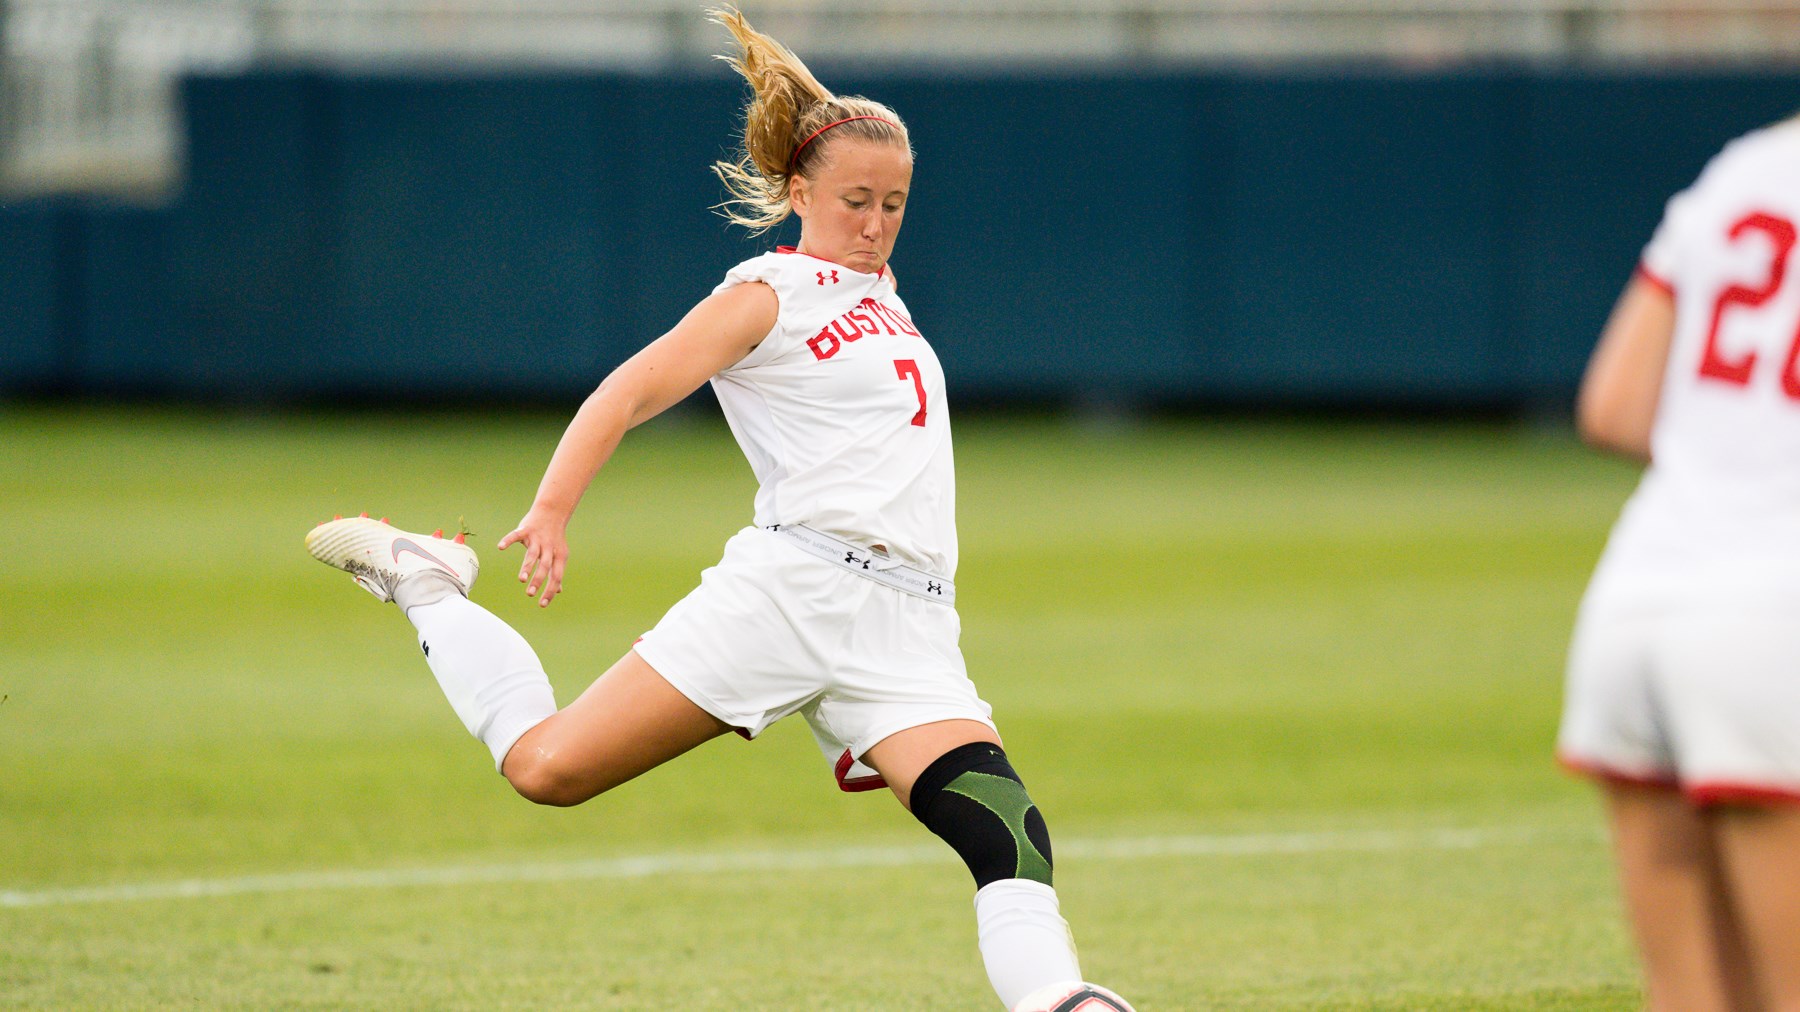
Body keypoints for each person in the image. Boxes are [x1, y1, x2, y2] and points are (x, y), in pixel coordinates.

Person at [304, 9, 1125, 1010]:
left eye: (895, 203)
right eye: (855, 200)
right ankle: (428, 583)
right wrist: (554, 506)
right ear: (797, 195)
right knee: (547, 768)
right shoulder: (769, 292)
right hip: (788, 591)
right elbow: (629, 390)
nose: (875, 223)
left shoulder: (883, 292)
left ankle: (1065, 1001)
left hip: (908, 627)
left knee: (1006, 830)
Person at [1558, 113, 1800, 1011]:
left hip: (1637, 602)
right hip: (1774, 620)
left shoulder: (1741, 171)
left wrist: (1733, 454)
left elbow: (1615, 406)